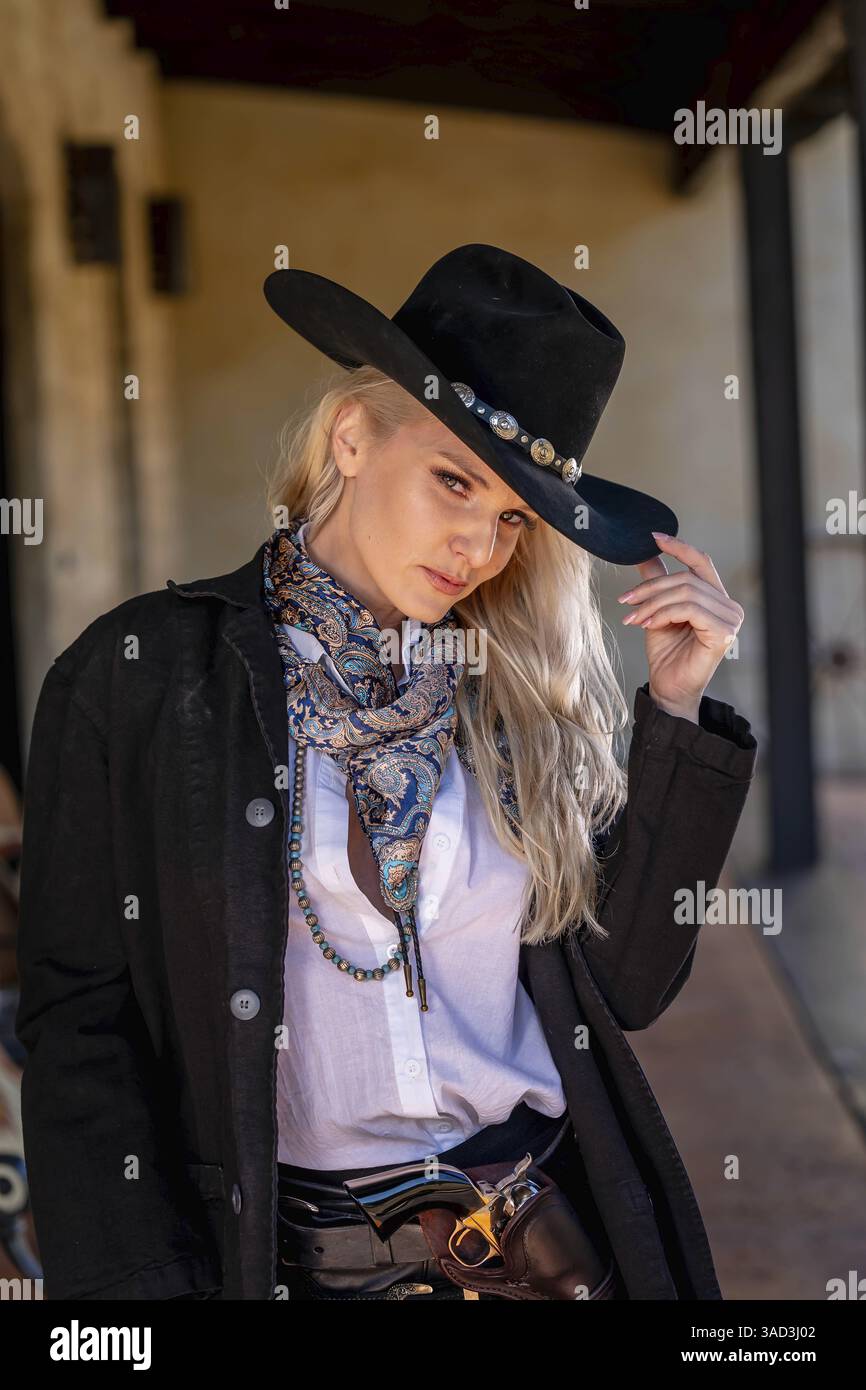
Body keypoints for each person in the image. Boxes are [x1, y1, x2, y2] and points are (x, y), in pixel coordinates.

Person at [14, 244, 757, 1300]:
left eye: (511, 516)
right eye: (452, 479)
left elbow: (626, 988)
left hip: (543, 1252)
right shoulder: (140, 679)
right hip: (283, 1265)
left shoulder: (513, 697)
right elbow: (82, 1027)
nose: (477, 544)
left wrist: (674, 711)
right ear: (352, 436)